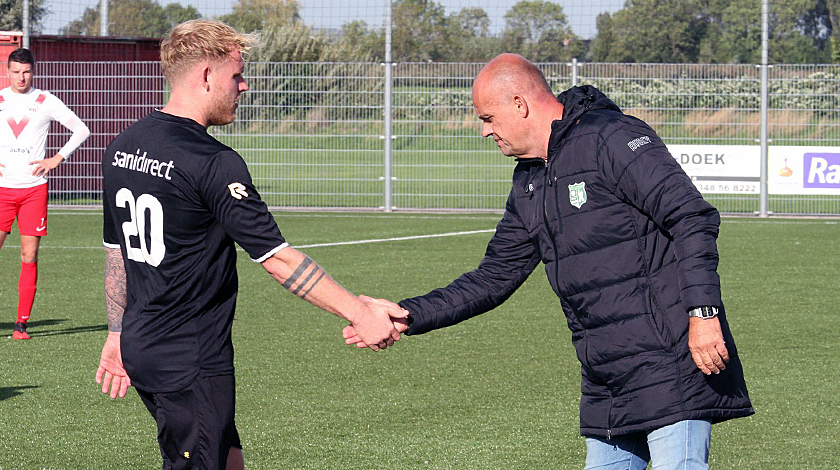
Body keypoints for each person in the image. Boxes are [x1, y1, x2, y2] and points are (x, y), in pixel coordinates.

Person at [344, 53, 754, 469]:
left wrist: (704, 314)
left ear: (520, 105)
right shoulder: (529, 179)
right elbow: (494, 277)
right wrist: (408, 314)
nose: (484, 131)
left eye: (488, 118)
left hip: (669, 365)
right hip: (606, 381)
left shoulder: (611, 137)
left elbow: (691, 216)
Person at [94, 19, 405, 470]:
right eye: (236, 74)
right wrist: (359, 312)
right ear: (205, 75)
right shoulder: (214, 162)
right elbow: (278, 260)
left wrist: (117, 332)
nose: (245, 85)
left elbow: (115, 252)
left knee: (227, 459)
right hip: (192, 360)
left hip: (144, 347)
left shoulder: (123, 146)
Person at [0, 48, 90, 340]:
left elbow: (81, 130)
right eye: (15, 71)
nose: (21, 77)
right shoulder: (0, 99)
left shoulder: (46, 101)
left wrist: (57, 159)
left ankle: (21, 324)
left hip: (33, 191)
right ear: (8, 70)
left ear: (33, 71)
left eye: (26, 71)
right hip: (2, 191)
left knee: (29, 254)